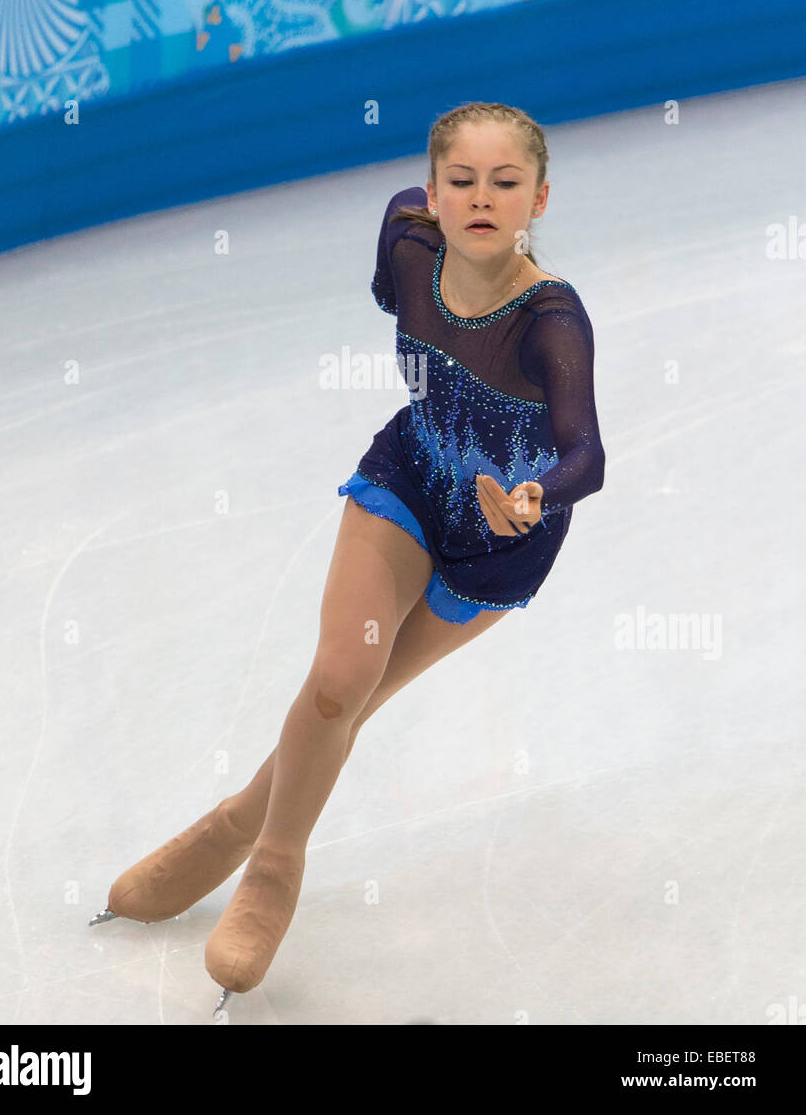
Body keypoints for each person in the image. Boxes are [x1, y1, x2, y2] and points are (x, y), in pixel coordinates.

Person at [89, 101, 605, 1014]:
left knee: (362, 697)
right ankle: (272, 873)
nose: (481, 198)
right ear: (435, 192)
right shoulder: (407, 242)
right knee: (338, 678)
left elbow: (586, 456)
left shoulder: (551, 320)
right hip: (411, 478)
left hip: (498, 539)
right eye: (462, 181)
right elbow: (389, 285)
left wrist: (536, 496)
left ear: (540, 198)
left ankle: (237, 822)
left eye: (506, 183)